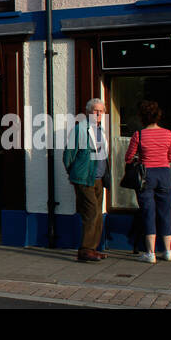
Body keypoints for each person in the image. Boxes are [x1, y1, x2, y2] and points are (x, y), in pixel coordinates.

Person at [125, 100, 171, 263]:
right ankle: (168, 251)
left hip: (146, 175)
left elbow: (128, 157)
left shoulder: (138, 135)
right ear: (158, 116)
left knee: (148, 212)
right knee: (165, 212)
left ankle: (150, 253)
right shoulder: (168, 133)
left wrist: (140, 158)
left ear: (142, 117)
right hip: (164, 174)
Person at [63, 98, 109, 262]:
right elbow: (68, 155)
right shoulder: (80, 129)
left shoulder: (100, 130)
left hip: (98, 178)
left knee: (97, 214)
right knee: (91, 212)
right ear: (88, 112)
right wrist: (74, 173)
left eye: (101, 111)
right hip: (84, 178)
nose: (98, 114)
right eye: (95, 111)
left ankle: (92, 248)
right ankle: (85, 250)